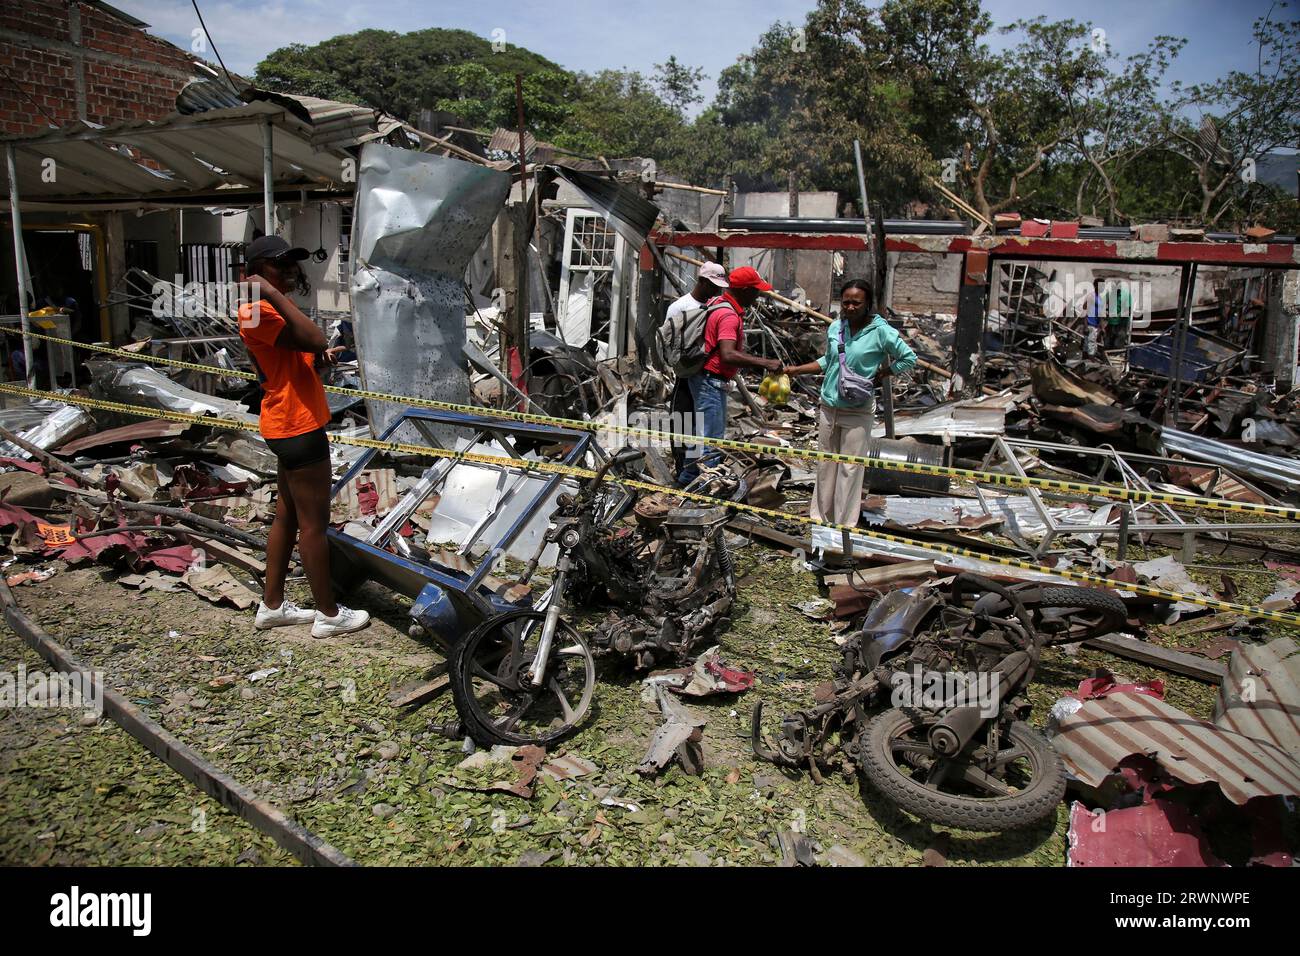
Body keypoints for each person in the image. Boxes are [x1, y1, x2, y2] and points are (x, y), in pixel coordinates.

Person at [238, 234, 370, 639]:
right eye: (278, 265)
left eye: (290, 264)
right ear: (256, 272)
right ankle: (328, 614)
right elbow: (313, 337)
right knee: (315, 525)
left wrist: (318, 363)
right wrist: (274, 294)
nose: (289, 271)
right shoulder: (257, 309)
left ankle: (272, 604)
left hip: (288, 422)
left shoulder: (264, 310)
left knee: (288, 515)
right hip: (297, 426)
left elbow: (303, 352)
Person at [783, 279, 916, 528]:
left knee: (850, 470)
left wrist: (884, 373)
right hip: (829, 409)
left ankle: (844, 527)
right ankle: (821, 522)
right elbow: (829, 361)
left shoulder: (881, 331)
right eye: (846, 302)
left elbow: (908, 357)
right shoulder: (836, 328)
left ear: (868, 304)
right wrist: (796, 370)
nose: (851, 307)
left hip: (857, 412)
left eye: (857, 302)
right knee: (826, 466)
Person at [677, 266, 782, 485]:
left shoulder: (717, 304)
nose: (758, 295)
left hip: (703, 378)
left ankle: (686, 480)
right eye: (756, 291)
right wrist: (765, 362)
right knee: (711, 441)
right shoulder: (728, 315)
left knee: (701, 436)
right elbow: (728, 354)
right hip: (711, 381)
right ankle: (708, 489)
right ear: (744, 290)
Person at [666, 262, 730, 478]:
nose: (716, 290)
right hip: (686, 377)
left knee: (703, 430)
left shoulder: (717, 306)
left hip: (707, 378)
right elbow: (670, 344)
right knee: (684, 427)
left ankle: (696, 474)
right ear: (702, 281)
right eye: (713, 285)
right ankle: (683, 473)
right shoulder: (680, 307)